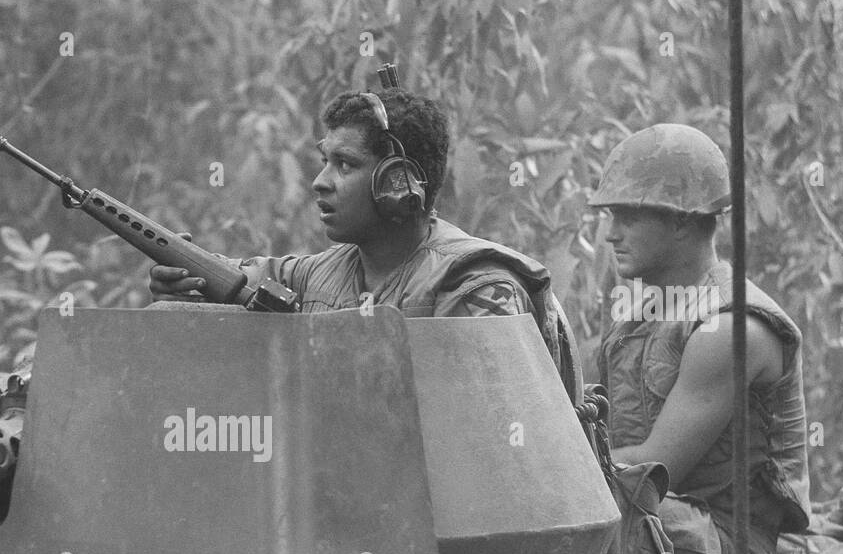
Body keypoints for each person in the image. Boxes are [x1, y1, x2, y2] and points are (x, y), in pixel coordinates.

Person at [148, 84, 578, 393]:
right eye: (324, 161)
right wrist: (187, 281)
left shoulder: (477, 288)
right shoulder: (321, 272)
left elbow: (498, 442)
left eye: (345, 165)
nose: (320, 182)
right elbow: (233, 276)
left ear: (398, 183)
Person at [589, 123, 810, 554]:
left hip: (727, 544)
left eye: (628, 216)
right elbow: (591, 426)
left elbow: (656, 467)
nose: (611, 234)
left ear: (682, 222)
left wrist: (557, 473)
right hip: (666, 520)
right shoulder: (637, 318)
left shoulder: (730, 327)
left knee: (602, 504)